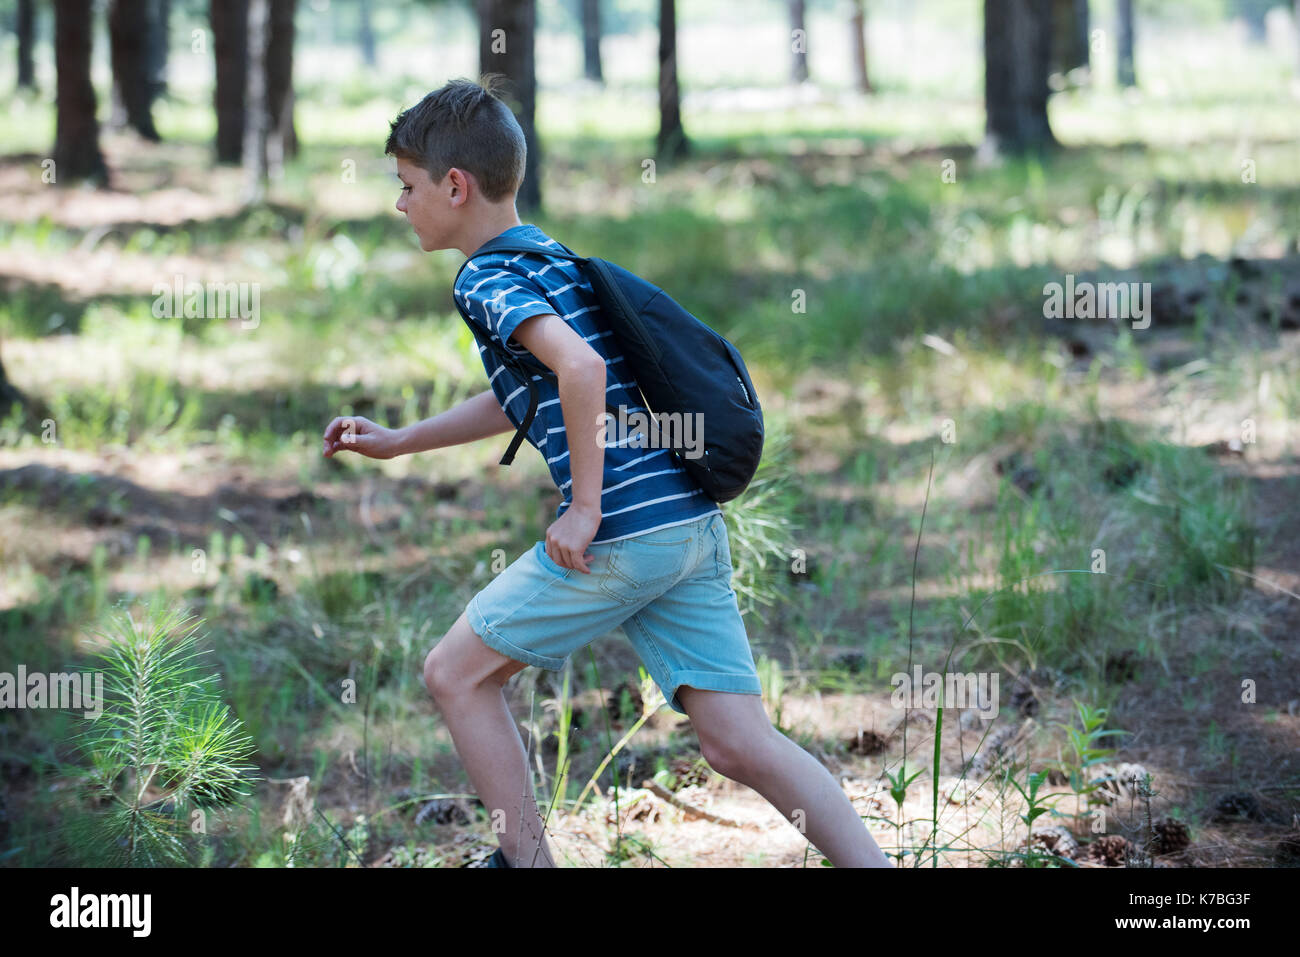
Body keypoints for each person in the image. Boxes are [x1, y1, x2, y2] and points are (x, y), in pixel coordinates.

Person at [321, 74, 893, 869]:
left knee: (455, 674)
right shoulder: (547, 255)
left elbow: (579, 368)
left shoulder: (483, 277)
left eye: (407, 187)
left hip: (623, 529)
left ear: (454, 186)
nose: (400, 204)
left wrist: (583, 506)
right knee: (740, 740)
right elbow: (530, 386)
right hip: (686, 522)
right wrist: (401, 439)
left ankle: (526, 863)